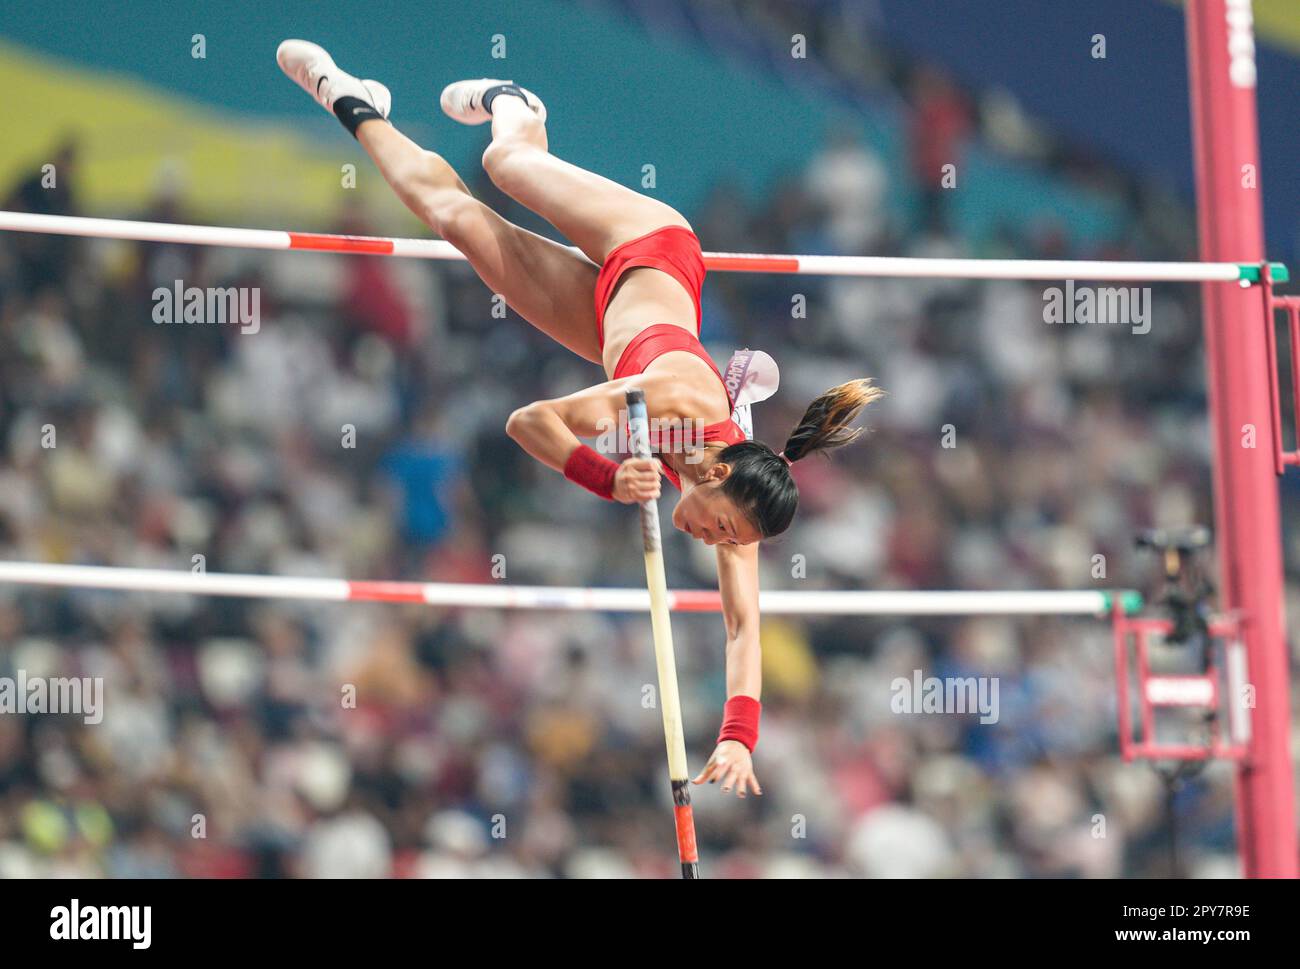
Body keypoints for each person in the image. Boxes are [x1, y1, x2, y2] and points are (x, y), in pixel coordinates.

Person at [277, 41, 883, 798]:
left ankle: (347, 95)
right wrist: (605, 477)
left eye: (732, 540)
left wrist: (738, 738)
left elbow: (742, 629)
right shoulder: (674, 407)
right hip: (651, 245)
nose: (716, 542)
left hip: (610, 329)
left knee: (454, 218)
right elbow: (529, 421)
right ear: (720, 474)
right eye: (725, 529)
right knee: (505, 167)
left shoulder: (737, 508)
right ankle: (517, 100)